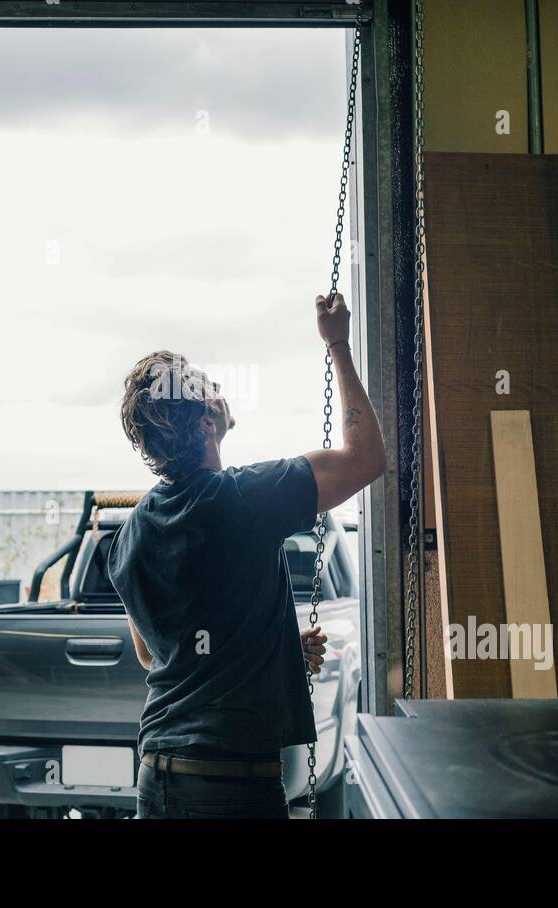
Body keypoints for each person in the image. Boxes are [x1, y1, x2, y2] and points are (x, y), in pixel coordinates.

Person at [107, 292, 387, 819]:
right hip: (230, 786)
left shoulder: (132, 531)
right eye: (211, 388)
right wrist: (338, 345)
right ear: (206, 424)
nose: (220, 391)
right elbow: (366, 458)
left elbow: (155, 654)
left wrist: (269, 649)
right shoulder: (245, 496)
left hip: (157, 774)